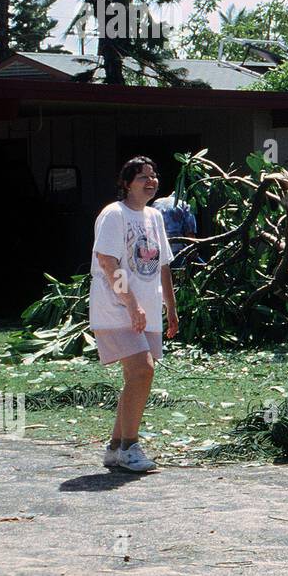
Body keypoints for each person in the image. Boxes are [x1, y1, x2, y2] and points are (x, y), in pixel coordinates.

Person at [89, 156, 179, 472]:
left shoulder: (154, 217)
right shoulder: (114, 215)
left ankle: (115, 448)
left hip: (147, 312)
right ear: (127, 183)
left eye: (153, 176)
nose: (150, 181)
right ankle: (130, 446)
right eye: (142, 176)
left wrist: (171, 307)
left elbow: (164, 265)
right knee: (143, 370)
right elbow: (106, 262)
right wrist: (130, 303)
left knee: (135, 377)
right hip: (117, 310)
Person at [154, 190, 198, 266]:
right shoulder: (184, 204)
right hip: (175, 250)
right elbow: (190, 234)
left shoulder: (157, 202)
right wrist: (193, 252)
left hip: (156, 248)